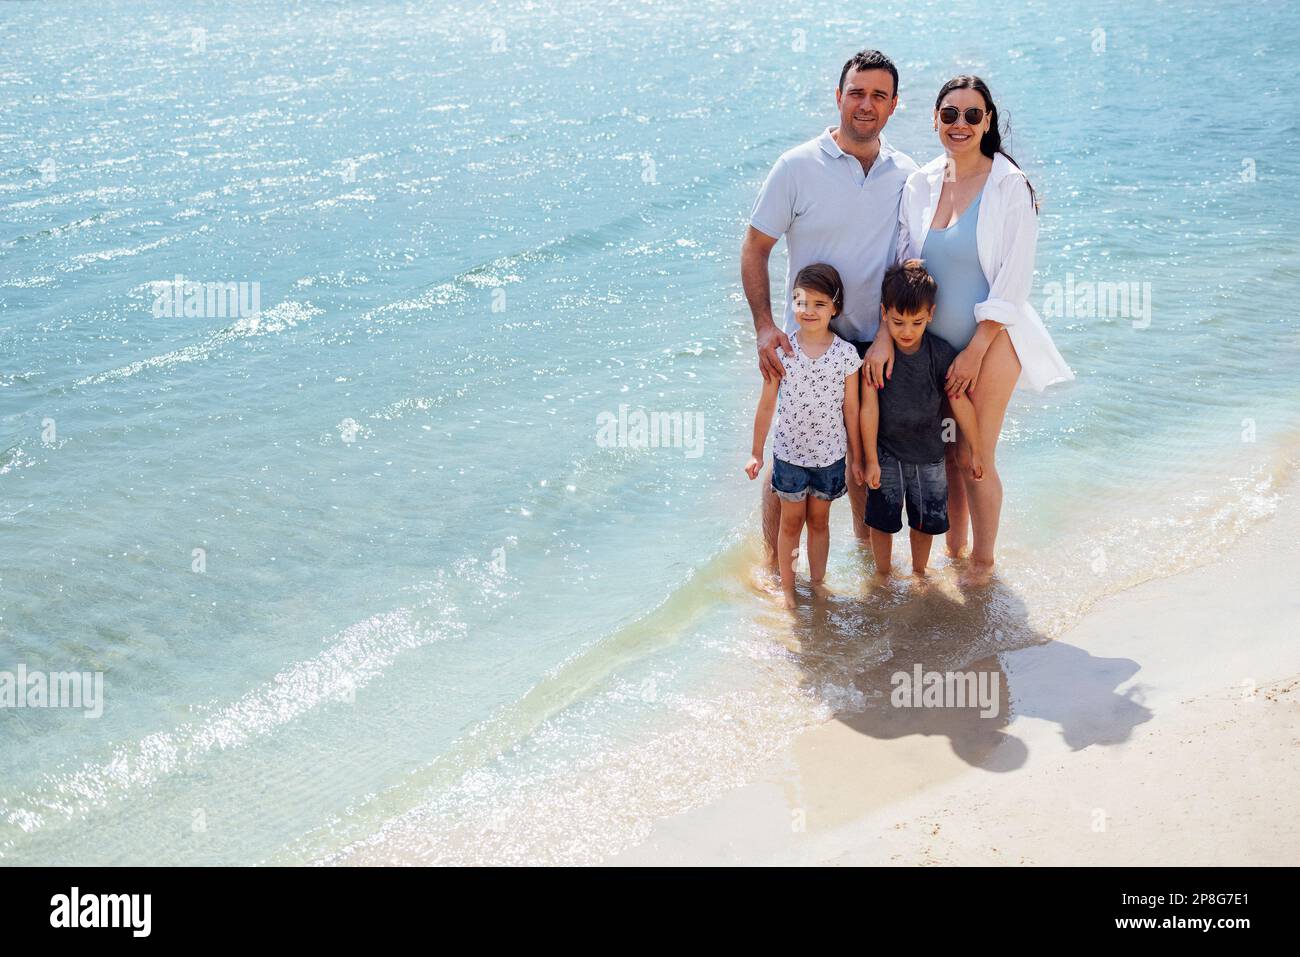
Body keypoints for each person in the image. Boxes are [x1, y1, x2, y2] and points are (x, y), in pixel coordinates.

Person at [863, 75, 1073, 584]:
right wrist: (887, 337)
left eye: (972, 115)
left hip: (993, 341)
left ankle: (983, 563)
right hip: (926, 347)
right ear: (935, 120)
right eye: (950, 114)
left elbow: (1013, 280)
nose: (960, 124)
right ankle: (952, 554)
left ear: (988, 122)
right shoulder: (921, 183)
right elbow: (902, 265)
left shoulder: (1009, 185)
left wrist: (977, 349)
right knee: (943, 454)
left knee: (976, 455)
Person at [741, 49, 917, 559]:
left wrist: (888, 334)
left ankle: (865, 568)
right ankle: (777, 572)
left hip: (872, 344)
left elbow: (909, 261)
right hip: (810, 340)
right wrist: (764, 327)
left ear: (894, 105)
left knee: (863, 455)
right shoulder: (796, 166)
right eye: (857, 93)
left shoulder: (906, 173)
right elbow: (755, 246)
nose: (866, 104)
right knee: (789, 455)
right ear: (838, 97)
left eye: (878, 96)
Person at [746, 264, 863, 608]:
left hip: (829, 456)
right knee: (790, 523)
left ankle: (817, 584)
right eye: (801, 302)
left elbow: (851, 410)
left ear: (835, 308)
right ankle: (787, 589)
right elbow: (767, 405)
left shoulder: (846, 356)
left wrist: (856, 456)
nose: (808, 311)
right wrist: (756, 452)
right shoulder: (782, 351)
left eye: (819, 304)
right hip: (789, 455)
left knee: (819, 522)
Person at [861, 260, 983, 579]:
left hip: (930, 456)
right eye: (898, 321)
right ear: (884, 312)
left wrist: (977, 448)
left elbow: (960, 402)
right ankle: (883, 576)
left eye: (916, 322)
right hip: (886, 453)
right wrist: (869, 459)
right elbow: (868, 409)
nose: (906, 331)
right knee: (881, 520)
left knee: (925, 521)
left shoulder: (940, 354)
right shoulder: (875, 356)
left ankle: (919, 574)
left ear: (930, 314)